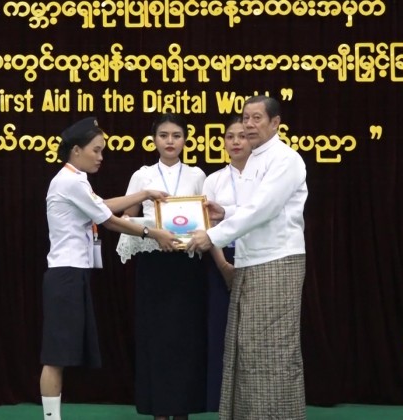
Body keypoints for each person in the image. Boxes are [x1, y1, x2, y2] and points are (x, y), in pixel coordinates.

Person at [39, 116, 179, 420]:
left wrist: (144, 194)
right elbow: (109, 219)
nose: (101, 157)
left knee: (61, 354)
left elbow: (101, 206)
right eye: (97, 150)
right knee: (56, 356)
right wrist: (153, 233)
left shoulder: (75, 181)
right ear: (77, 151)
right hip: (66, 274)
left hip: (72, 274)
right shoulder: (70, 181)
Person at [186, 96, 309, 420]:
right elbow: (255, 208)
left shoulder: (286, 159)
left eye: (257, 118)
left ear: (275, 123)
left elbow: (263, 209)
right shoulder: (256, 159)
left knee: (273, 352)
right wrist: (225, 211)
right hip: (252, 262)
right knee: (246, 349)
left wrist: (212, 235)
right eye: (246, 118)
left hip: (277, 262)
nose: (250, 124)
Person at [122, 113, 208, 420]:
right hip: (154, 265)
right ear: (154, 140)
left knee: (185, 338)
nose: (170, 141)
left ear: (185, 140)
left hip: (188, 267)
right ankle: (158, 410)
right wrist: (151, 229)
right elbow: (126, 216)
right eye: (163, 135)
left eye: (176, 135)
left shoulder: (198, 175)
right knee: (155, 338)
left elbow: (207, 218)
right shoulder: (142, 175)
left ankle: (182, 409)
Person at [200, 115, 252, 412]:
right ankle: (221, 404)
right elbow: (208, 227)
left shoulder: (263, 177)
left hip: (256, 259)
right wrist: (222, 265)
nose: (236, 141)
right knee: (221, 331)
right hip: (221, 259)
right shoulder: (214, 179)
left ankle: (248, 403)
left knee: (251, 336)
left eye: (242, 136)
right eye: (230, 136)